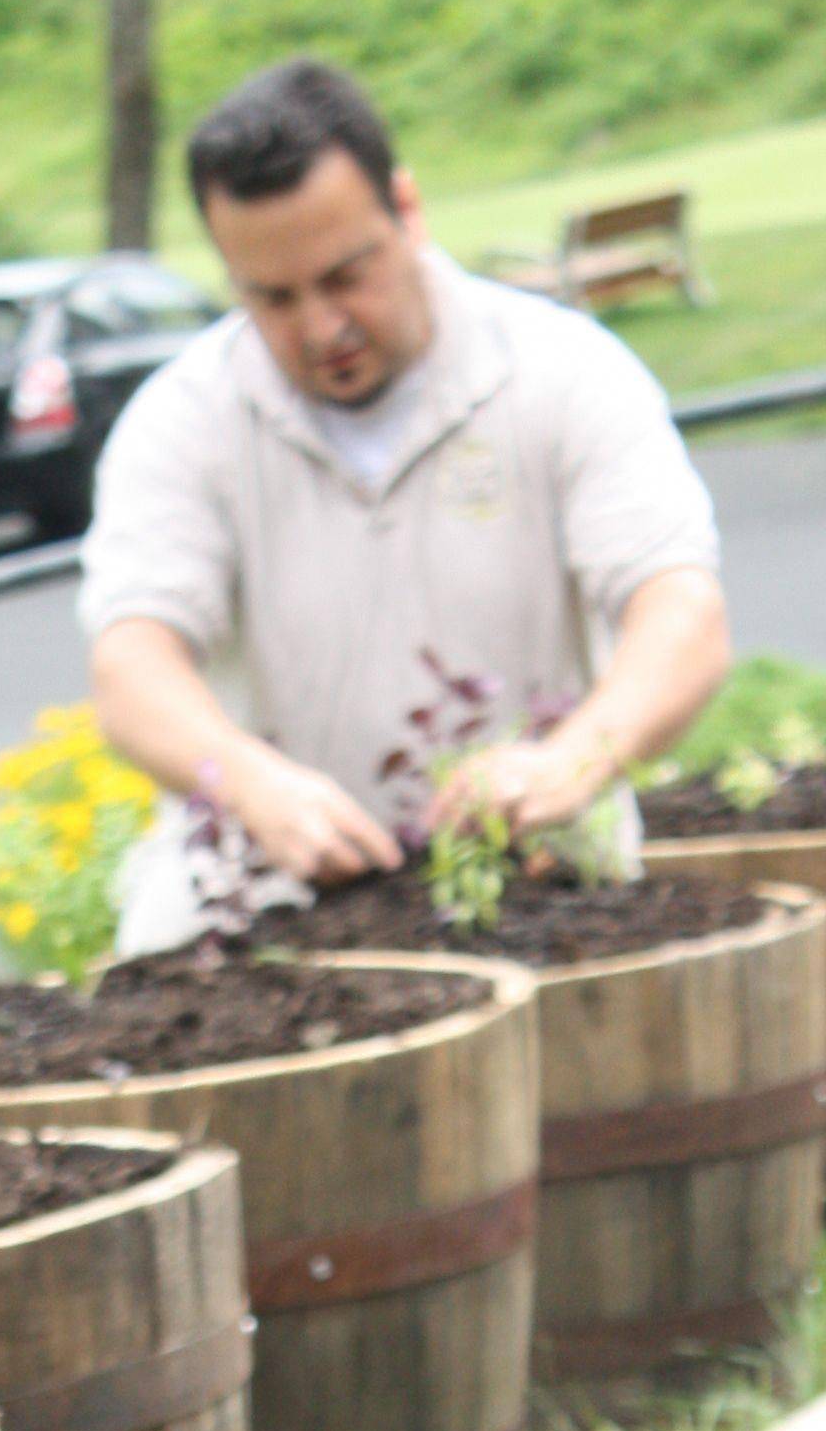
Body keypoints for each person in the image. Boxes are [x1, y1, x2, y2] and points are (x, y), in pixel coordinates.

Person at [81, 54, 730, 948]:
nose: (322, 327)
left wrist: (573, 761)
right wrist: (250, 782)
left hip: (541, 893)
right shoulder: (181, 421)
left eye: (346, 275)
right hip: (254, 920)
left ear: (407, 209)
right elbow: (130, 669)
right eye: (273, 296)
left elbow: (682, 613)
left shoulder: (565, 372)